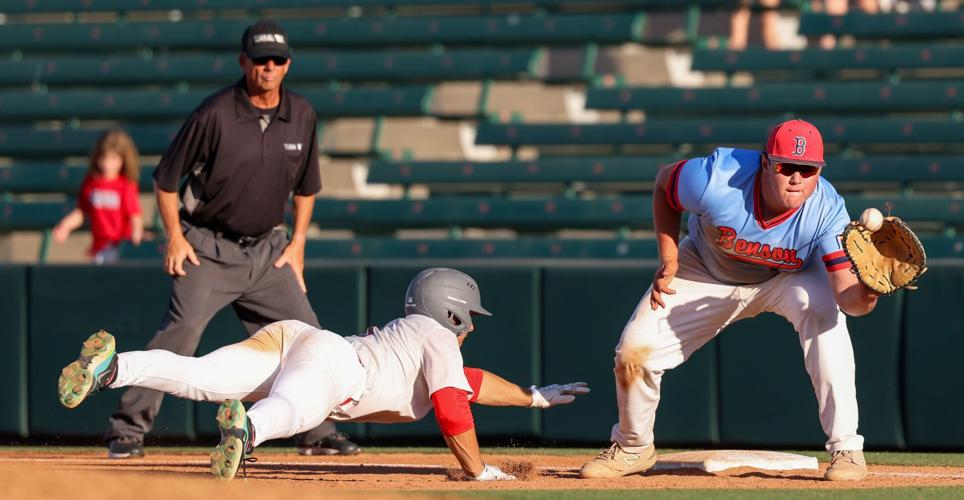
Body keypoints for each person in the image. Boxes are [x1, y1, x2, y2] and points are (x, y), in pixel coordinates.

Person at [101, 19, 359, 459]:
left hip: (268, 251)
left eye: (277, 60)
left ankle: (318, 433)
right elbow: (165, 181)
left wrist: (298, 245)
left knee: (310, 339)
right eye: (260, 60)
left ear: (288, 64)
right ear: (244, 63)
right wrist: (175, 239)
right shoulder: (214, 113)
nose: (269, 67)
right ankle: (127, 429)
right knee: (180, 332)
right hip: (208, 248)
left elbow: (308, 189)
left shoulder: (302, 115)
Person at [58, 268, 590, 480]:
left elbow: (466, 384)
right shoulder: (438, 338)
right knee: (300, 409)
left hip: (300, 339)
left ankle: (112, 368)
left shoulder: (422, 340)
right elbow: (452, 407)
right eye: (469, 317)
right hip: (336, 364)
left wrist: (533, 399)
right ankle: (247, 432)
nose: (470, 326)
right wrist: (477, 470)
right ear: (452, 312)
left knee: (202, 376)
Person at [579, 119, 878, 481]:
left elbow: (851, 301)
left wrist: (871, 291)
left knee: (826, 316)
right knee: (633, 352)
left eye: (808, 169)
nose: (797, 178)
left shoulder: (827, 210)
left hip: (787, 278)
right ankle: (633, 447)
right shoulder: (717, 178)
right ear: (766, 163)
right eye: (786, 167)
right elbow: (664, 183)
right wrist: (669, 258)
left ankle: (847, 449)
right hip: (705, 268)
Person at [52, 129, 143, 264]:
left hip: (119, 246)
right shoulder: (91, 182)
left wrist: (137, 233)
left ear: (123, 160)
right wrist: (65, 226)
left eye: (113, 158)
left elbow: (134, 213)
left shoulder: (125, 185)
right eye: (104, 157)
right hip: (98, 247)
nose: (107, 163)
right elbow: (82, 211)